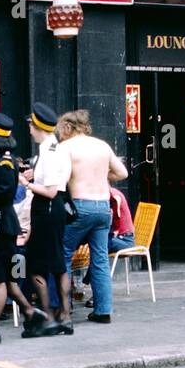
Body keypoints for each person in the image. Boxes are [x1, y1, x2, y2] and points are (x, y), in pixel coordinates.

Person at [0, 111, 48, 347]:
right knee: (9, 281)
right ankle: (32, 314)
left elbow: (3, 192)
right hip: (3, 227)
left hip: (0, 228)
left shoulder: (3, 162)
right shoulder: (0, 160)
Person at [59, 108, 128, 324]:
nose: (59, 135)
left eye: (61, 130)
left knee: (64, 254)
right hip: (102, 207)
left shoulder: (66, 147)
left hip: (80, 206)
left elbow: (60, 179)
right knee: (99, 260)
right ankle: (103, 310)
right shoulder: (102, 146)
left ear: (68, 127)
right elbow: (123, 173)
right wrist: (100, 174)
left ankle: (65, 307)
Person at [21, 102, 73, 335]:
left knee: (36, 267)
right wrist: (36, 175)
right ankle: (65, 316)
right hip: (55, 209)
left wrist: (27, 184)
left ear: (39, 127)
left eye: (31, 125)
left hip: (48, 208)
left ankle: (49, 317)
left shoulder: (49, 153)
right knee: (59, 264)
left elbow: (51, 191)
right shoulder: (54, 149)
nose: (29, 130)